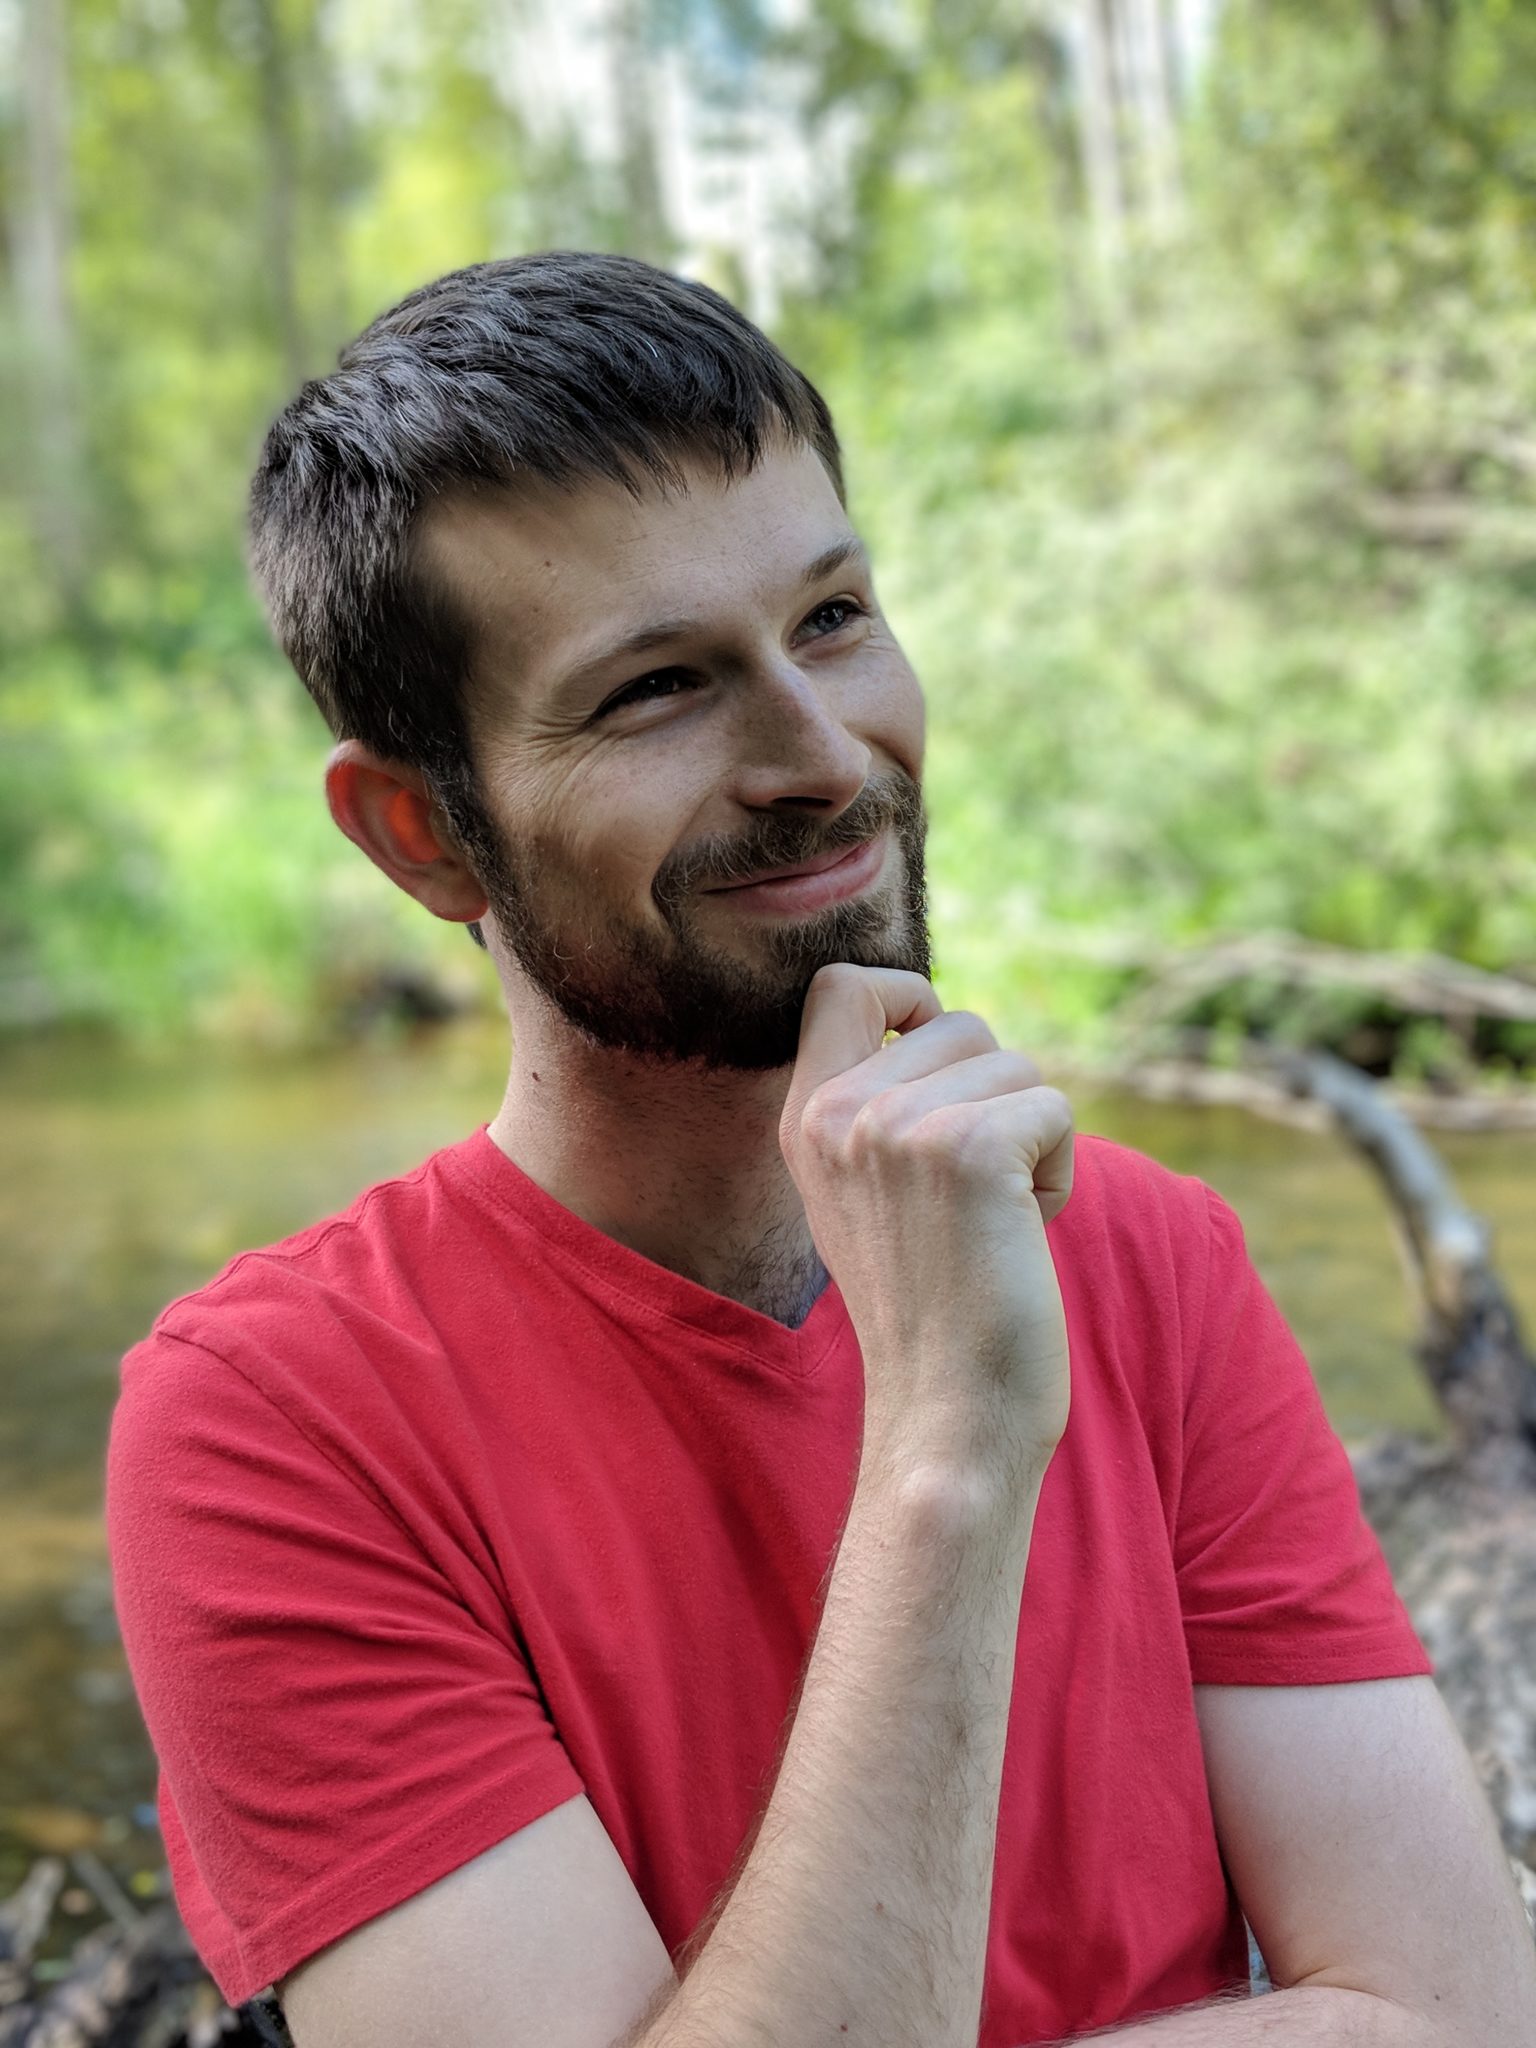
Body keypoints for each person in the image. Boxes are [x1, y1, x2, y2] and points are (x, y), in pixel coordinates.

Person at [106, 251, 1536, 2048]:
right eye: (656, 689)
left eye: (836, 617)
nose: (822, 753)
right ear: (420, 833)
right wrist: (950, 1441)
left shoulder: (1151, 1255)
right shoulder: (276, 1426)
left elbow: (1455, 2012)